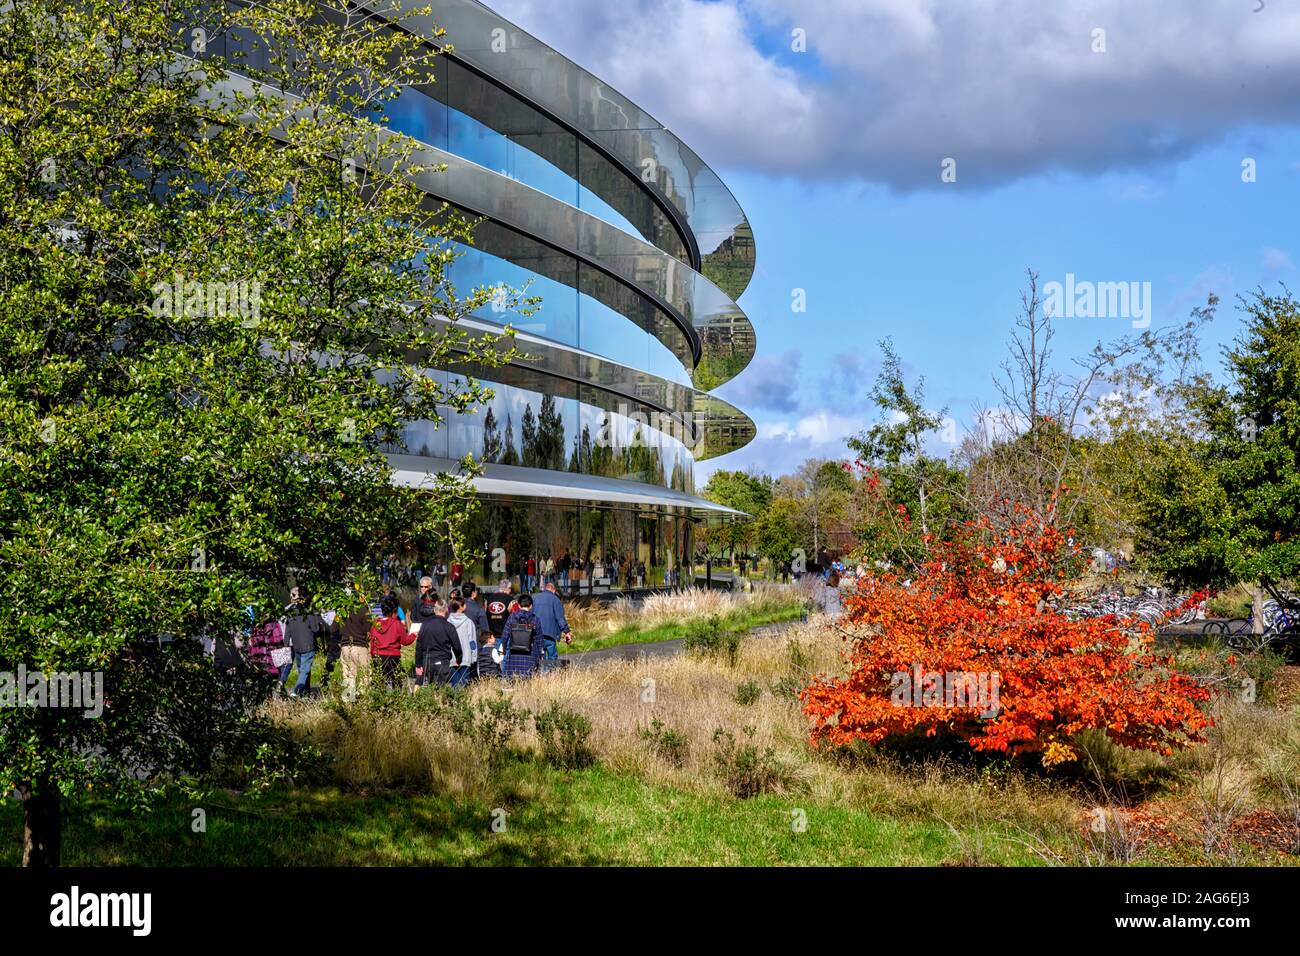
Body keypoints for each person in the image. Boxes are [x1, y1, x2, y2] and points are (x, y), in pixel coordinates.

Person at [283, 587, 327, 698]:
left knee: (302, 670)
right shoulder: (309, 612)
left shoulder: (290, 613)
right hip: (308, 645)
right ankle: (296, 691)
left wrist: (286, 644)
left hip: (296, 645)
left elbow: (287, 631)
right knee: (305, 671)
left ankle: (304, 694)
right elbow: (315, 629)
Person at [415, 598, 462, 687]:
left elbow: (419, 646)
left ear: (434, 610)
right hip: (443, 661)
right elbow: (457, 646)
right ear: (446, 610)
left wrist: (418, 664)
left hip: (427, 661)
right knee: (440, 688)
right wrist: (459, 659)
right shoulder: (449, 627)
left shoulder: (424, 625)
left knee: (429, 687)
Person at [369, 594, 413, 689]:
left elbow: (372, 643)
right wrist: (414, 634)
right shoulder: (397, 624)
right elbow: (405, 641)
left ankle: (379, 702)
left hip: (378, 657)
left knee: (379, 684)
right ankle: (396, 702)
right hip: (393, 658)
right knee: (396, 684)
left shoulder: (375, 624)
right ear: (394, 611)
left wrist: (373, 655)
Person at [500, 593, 543, 679]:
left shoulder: (512, 617)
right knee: (528, 679)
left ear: (519, 605)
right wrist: (541, 654)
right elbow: (539, 639)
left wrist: (503, 650)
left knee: (513, 679)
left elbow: (505, 636)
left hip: (514, 654)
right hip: (531, 654)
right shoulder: (535, 619)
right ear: (531, 606)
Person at [531, 581, 572, 661]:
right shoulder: (556, 600)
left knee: (538, 657)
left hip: (536, 633)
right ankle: (550, 672)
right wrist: (567, 632)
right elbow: (560, 618)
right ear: (554, 590)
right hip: (550, 634)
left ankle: (540, 672)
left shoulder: (534, 598)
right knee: (552, 658)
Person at [447, 599, 478, 686]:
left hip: (451, 657)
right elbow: (472, 641)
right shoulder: (468, 622)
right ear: (463, 606)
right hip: (465, 656)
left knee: (454, 684)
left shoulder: (448, 621)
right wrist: (474, 656)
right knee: (465, 683)